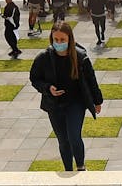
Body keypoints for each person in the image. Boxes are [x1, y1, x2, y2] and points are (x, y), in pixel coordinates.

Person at [30, 21, 103, 171]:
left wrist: (97, 101)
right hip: (54, 104)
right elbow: (35, 78)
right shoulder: (44, 57)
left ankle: (81, 166)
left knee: (74, 136)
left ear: (69, 39)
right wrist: (47, 88)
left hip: (75, 103)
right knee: (63, 140)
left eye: (62, 40)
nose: (59, 43)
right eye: (56, 40)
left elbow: (91, 80)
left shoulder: (80, 57)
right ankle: (68, 170)